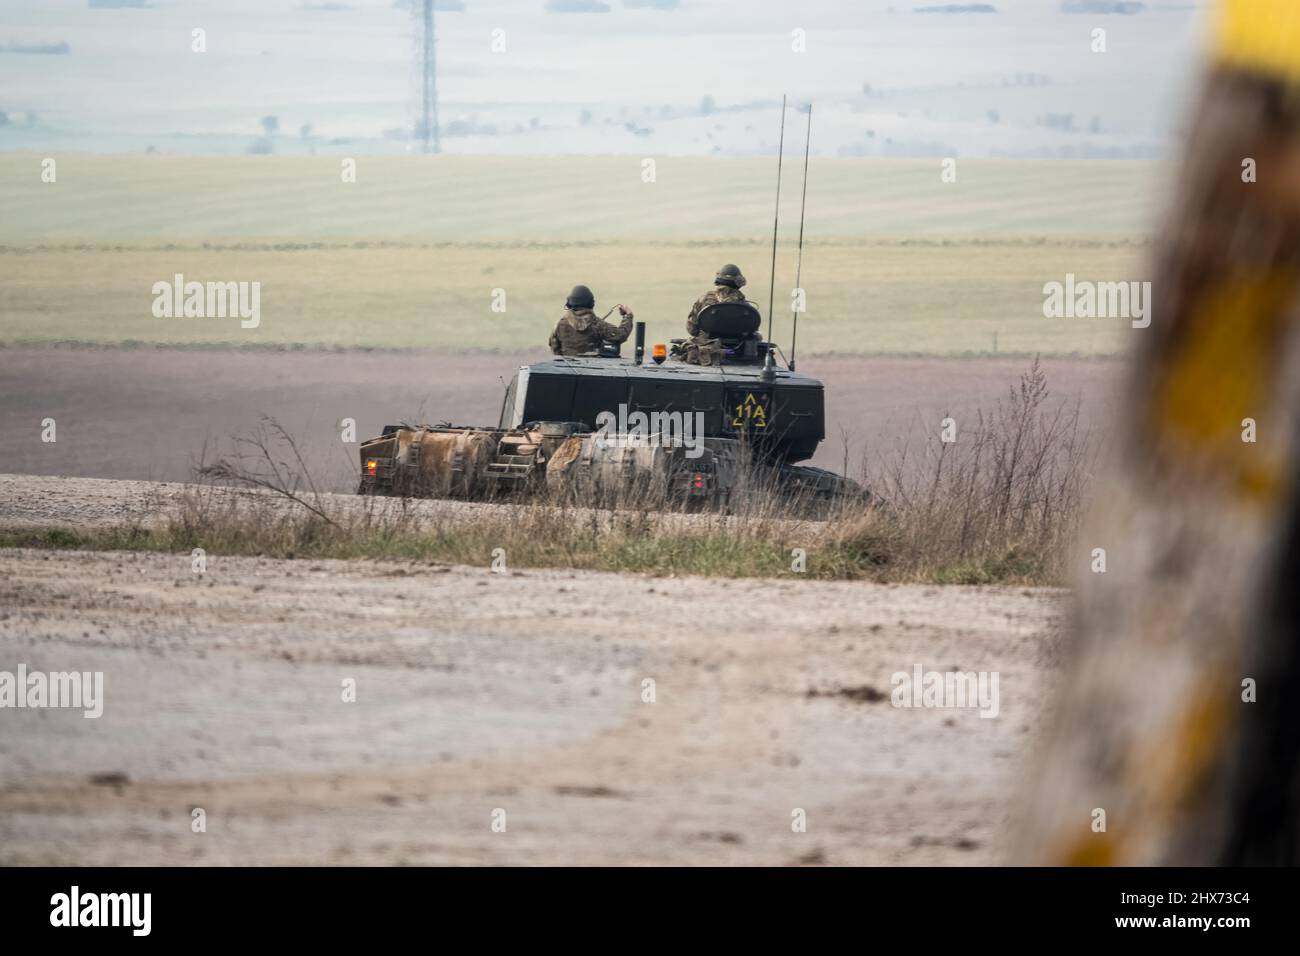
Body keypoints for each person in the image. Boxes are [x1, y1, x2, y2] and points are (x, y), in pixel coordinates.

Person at [683, 264, 750, 365]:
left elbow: (692, 329)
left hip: (705, 350)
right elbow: (750, 331)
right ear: (739, 282)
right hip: (737, 352)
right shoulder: (744, 305)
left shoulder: (704, 299)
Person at [548, 285, 633, 356]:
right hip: (593, 372)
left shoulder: (559, 325)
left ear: (569, 303)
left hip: (568, 371)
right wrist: (627, 315)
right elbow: (620, 335)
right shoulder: (598, 325)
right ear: (591, 303)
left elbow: (555, 349)